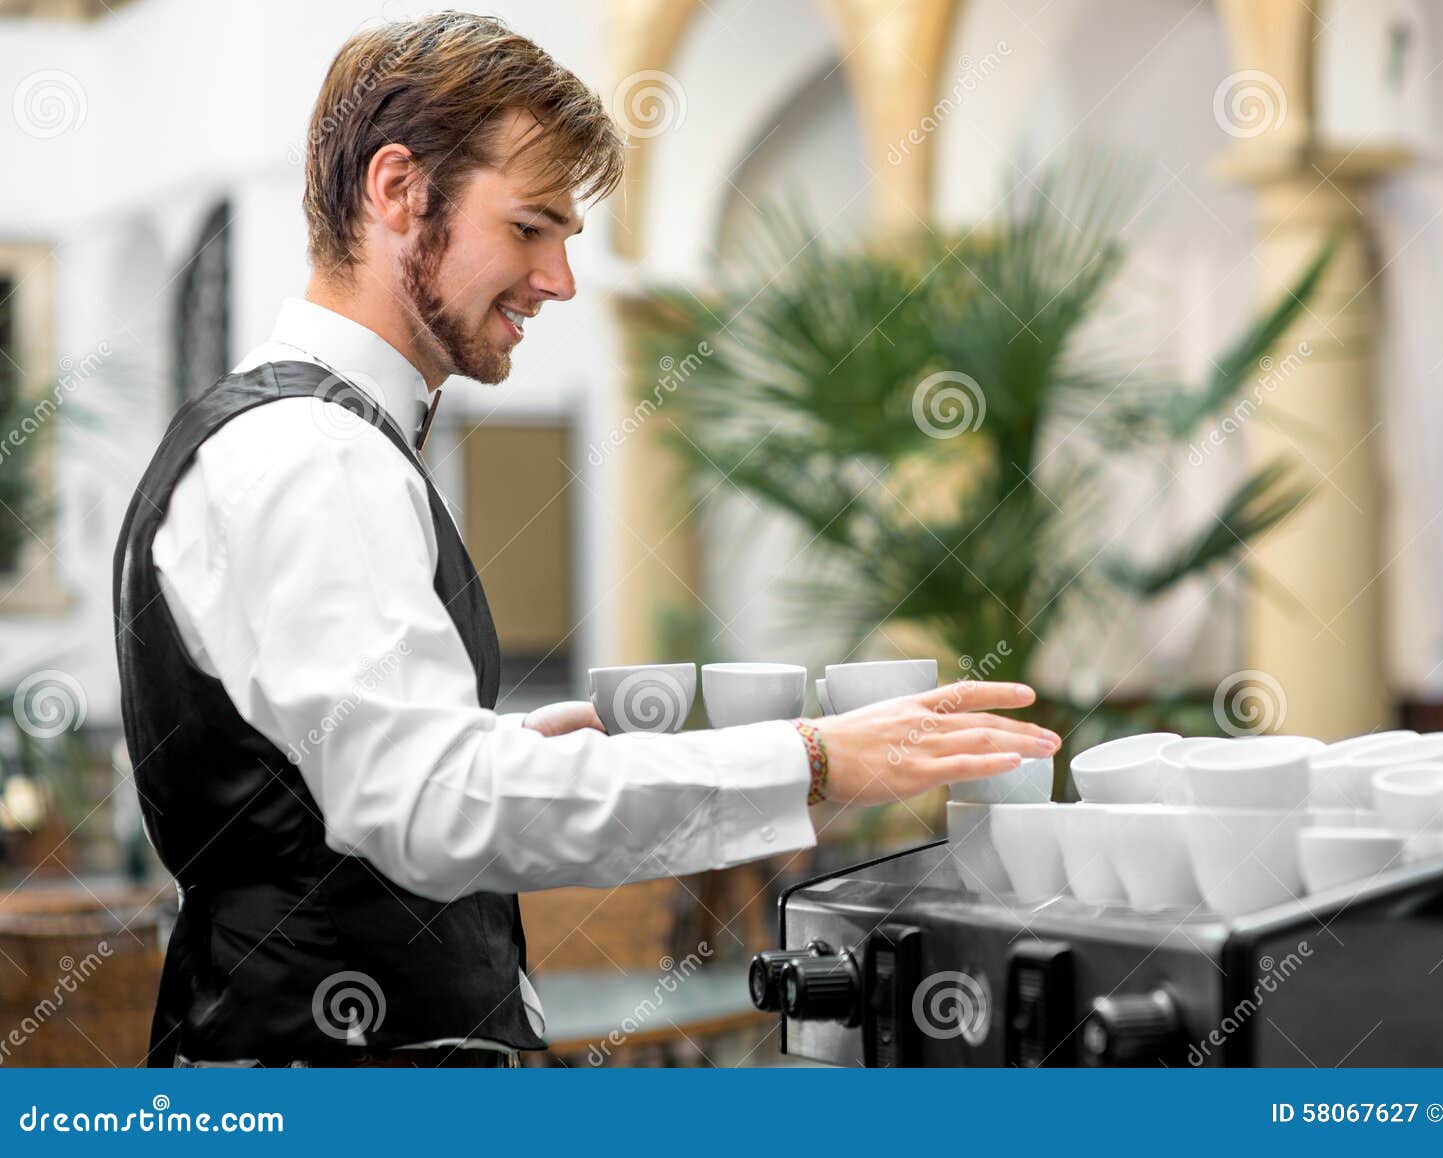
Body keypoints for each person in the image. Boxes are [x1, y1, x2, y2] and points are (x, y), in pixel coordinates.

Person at [111, 11, 1061, 1069]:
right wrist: (815, 759)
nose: (560, 278)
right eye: (530, 227)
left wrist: (507, 755)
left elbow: (338, 787)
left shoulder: (294, 438)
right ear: (395, 190)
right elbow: (429, 813)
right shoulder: (314, 457)